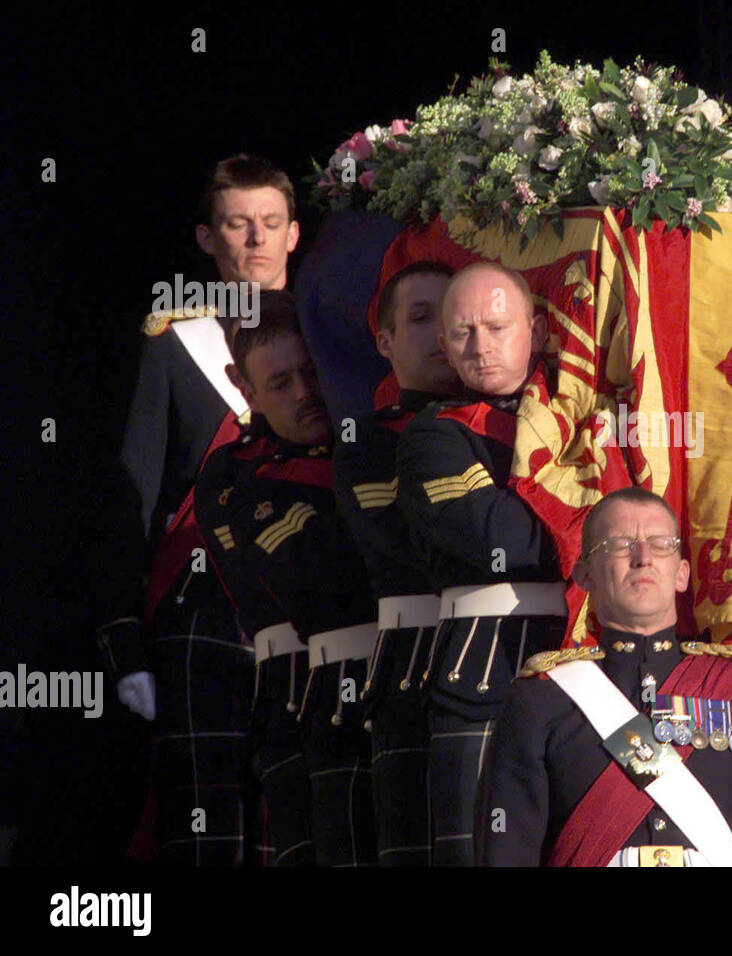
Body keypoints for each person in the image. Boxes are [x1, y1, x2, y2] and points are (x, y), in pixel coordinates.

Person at [95, 154, 301, 865]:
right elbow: (134, 498)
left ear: (294, 235)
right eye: (238, 225)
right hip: (203, 613)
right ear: (208, 239)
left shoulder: (336, 338)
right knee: (204, 831)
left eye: (271, 223)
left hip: (311, 604)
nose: (256, 241)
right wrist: (123, 644)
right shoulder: (173, 344)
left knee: (301, 819)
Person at [477, 487, 732, 867]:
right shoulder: (541, 698)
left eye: (661, 544)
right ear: (584, 574)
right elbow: (509, 849)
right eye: (619, 545)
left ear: (682, 573)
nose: (643, 557)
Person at [196, 291, 379, 867]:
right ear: (243, 389)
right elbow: (322, 578)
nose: (305, 394)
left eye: (312, 371)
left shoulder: (370, 440)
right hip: (299, 694)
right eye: (280, 384)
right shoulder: (236, 478)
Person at [395, 261, 568, 866]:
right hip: (484, 670)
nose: (481, 347)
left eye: (498, 327)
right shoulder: (432, 435)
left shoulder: (580, 416)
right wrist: (593, 521)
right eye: (464, 333)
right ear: (443, 344)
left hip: (581, 665)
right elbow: (498, 534)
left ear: (538, 331)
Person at [333, 260, 460, 865]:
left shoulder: (521, 421)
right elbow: (412, 549)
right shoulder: (365, 438)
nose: (441, 333)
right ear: (383, 341)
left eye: (453, 315)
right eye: (420, 317)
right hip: (414, 674)